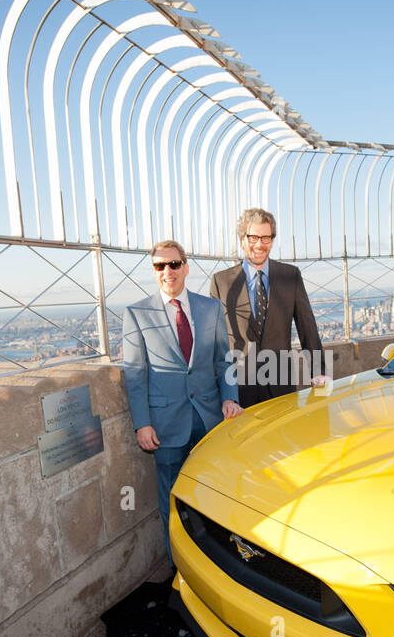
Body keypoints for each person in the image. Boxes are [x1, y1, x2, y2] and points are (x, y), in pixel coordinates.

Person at [122, 240, 242, 561]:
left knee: (216, 494)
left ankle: (220, 563)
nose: (167, 272)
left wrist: (230, 398)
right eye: (159, 266)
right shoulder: (136, 315)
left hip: (209, 421)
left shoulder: (211, 308)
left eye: (173, 264)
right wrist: (142, 424)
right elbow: (135, 375)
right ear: (154, 271)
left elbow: (223, 361)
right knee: (172, 500)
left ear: (185, 267)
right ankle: (179, 566)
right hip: (165, 427)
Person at [209, 207, 328, 408]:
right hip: (237, 388)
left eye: (266, 238)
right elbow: (213, 342)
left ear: (272, 241)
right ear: (242, 240)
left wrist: (318, 372)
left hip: (281, 385)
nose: (259, 244)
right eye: (253, 237)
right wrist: (221, 393)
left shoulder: (290, 276)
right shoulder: (221, 282)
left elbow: (307, 328)